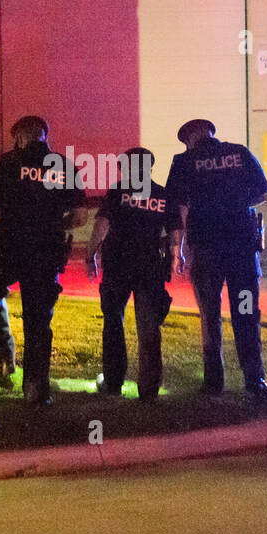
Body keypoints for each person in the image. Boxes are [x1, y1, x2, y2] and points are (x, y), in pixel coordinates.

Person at [0, 115, 86, 406]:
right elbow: (80, 216)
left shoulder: (9, 163)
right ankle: (36, 391)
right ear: (45, 136)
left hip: (9, 248)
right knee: (38, 322)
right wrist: (54, 224)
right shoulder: (63, 165)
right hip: (46, 251)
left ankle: (4, 359)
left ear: (19, 137)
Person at [165, 118, 267, 402]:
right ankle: (255, 379)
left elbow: (175, 208)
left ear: (188, 139)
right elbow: (264, 191)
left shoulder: (184, 162)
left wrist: (177, 250)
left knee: (210, 315)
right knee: (247, 312)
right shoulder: (239, 152)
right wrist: (236, 203)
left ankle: (214, 382)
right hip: (242, 252)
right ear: (212, 133)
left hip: (206, 250)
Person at [85, 147, 179, 402]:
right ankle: (148, 388)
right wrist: (175, 257)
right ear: (149, 168)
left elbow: (102, 225)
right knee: (149, 327)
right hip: (149, 267)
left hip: (118, 266)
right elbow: (173, 234)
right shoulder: (162, 194)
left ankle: (113, 382)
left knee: (114, 322)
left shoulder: (118, 192)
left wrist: (90, 254)